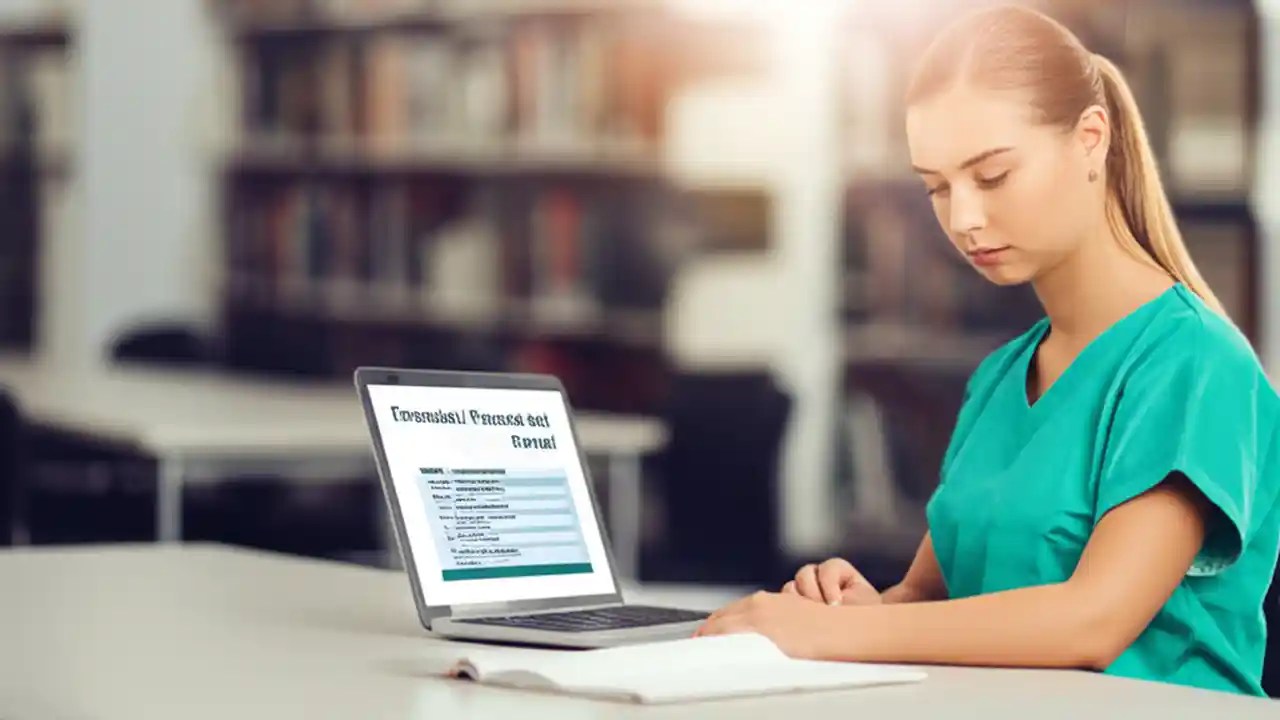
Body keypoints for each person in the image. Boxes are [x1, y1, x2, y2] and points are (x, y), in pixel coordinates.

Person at [694, 4, 1280, 697]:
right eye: (937, 187)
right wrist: (860, 606)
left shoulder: (1196, 363)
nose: (963, 219)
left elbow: (1090, 622)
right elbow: (932, 600)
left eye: (993, 176)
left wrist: (829, 636)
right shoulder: (1000, 378)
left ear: (1091, 139)